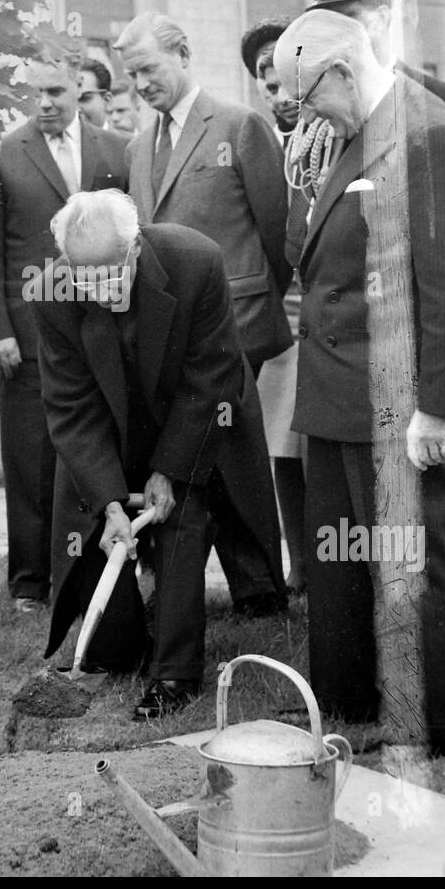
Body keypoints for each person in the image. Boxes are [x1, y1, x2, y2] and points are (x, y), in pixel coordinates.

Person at [273, 9, 445, 757]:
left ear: (338, 70)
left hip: (398, 401)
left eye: (306, 98)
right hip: (335, 391)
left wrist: (434, 410)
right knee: (336, 559)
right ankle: (350, 699)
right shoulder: (348, 132)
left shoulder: (426, 135)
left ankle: (426, 724)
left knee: (408, 560)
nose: (304, 117)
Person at [36, 190, 282, 720]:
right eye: (84, 278)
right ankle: (117, 648)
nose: (96, 291)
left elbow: (209, 374)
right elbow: (72, 406)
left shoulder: (196, 262)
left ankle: (175, 673)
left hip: (192, 408)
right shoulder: (54, 289)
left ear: (136, 249)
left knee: (182, 521)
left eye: (108, 275)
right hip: (110, 417)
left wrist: (169, 470)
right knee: (102, 526)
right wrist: (108, 502)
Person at [116, 10, 289, 618]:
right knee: (189, 451)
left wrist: (262, 311)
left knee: (238, 455)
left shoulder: (241, 126)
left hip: (236, 328)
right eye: (131, 76)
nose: (139, 85)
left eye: (148, 69)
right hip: (168, 335)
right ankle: (182, 578)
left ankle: (262, 588)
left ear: (183, 53)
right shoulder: (139, 146)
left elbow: (279, 236)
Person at [0, 57, 130, 612]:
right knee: (31, 455)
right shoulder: (1, 154)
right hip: (29, 331)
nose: (45, 102)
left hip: (105, 326)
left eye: (57, 91)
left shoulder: (116, 150)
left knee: (100, 449)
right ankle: (31, 580)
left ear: (79, 91)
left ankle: (98, 569)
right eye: (34, 93)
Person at [301, 0, 445, 243]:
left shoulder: (442, 101)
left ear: (381, 19)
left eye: (346, 19)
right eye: (325, 23)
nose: (332, 34)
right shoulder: (320, 110)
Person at [238, 16, 308, 593]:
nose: (271, 84)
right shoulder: (261, 141)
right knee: (281, 445)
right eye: (262, 74)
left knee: (325, 450)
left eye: (279, 69)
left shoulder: (336, 131)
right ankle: (301, 565)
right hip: (279, 318)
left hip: (330, 313)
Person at [77, 57, 111, 130]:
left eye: (84, 99)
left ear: (106, 100)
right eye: (70, 100)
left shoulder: (128, 141)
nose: (76, 109)